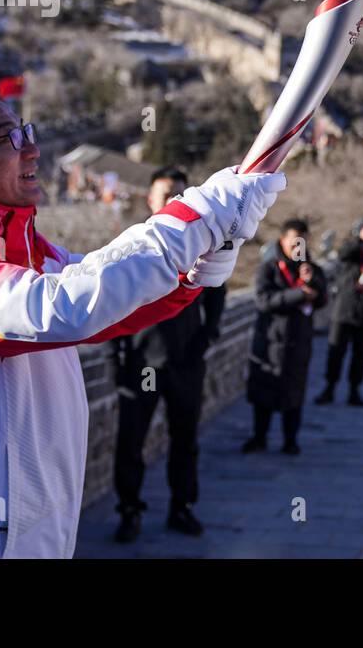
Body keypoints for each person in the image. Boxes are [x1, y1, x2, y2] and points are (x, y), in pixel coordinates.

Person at [0, 87, 285, 558]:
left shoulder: (27, 249)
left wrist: (190, 274)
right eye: (8, 139)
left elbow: (110, 302)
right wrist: (198, 217)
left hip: (36, 535)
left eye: (25, 132)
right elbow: (63, 307)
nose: (32, 149)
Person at [112, 167, 228, 543]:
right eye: (166, 195)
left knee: (185, 439)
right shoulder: (132, 243)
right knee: (131, 441)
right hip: (142, 362)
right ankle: (129, 510)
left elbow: (217, 293)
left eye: (180, 194)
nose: (173, 201)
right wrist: (118, 360)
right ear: (150, 199)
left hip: (185, 360)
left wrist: (204, 338)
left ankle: (182, 507)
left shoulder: (200, 244)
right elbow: (111, 304)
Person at [245, 219, 326, 455]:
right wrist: (299, 294)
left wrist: (313, 282)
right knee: (263, 392)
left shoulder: (313, 268)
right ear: (283, 240)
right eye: (294, 240)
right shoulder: (268, 268)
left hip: (298, 342)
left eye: (302, 240)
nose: (298, 245)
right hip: (269, 342)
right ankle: (259, 437)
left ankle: (290, 440)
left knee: (295, 392)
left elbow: (322, 300)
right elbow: (263, 301)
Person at [315, 214, 363, 407]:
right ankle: (329, 388)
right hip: (344, 309)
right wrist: (360, 240)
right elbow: (342, 254)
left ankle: (354, 390)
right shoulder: (354, 249)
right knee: (336, 352)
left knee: (360, 355)